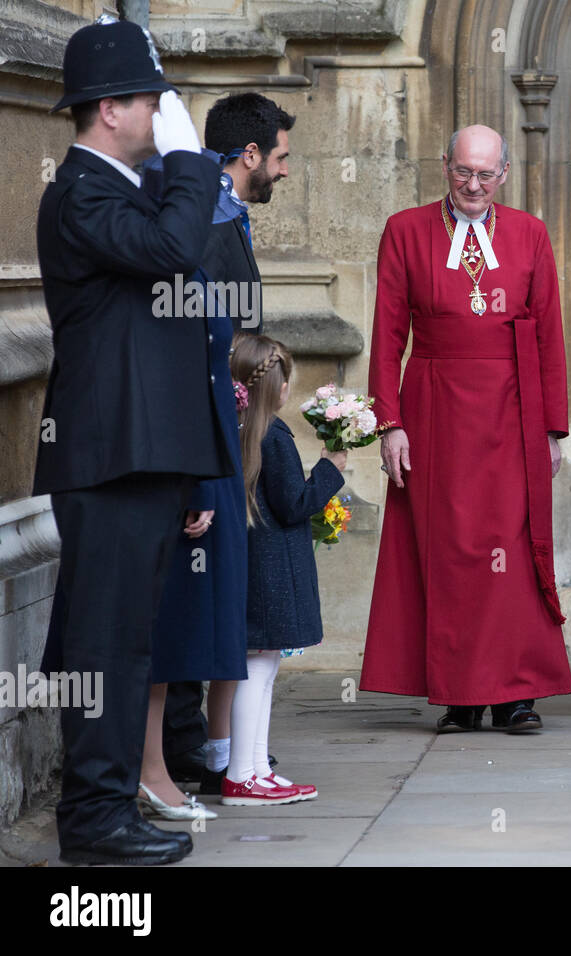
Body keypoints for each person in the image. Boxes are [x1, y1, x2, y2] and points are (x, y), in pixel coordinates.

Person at [35, 16, 229, 864]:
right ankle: (93, 822)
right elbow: (175, 249)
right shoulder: (83, 190)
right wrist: (193, 163)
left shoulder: (119, 187)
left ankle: (112, 806)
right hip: (109, 458)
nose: (163, 115)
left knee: (127, 645)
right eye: (153, 101)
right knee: (104, 647)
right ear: (110, 109)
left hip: (141, 456)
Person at [360, 124, 571, 732]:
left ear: (503, 175)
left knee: (508, 544)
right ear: (445, 168)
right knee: (450, 547)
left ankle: (513, 693)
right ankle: (460, 694)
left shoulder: (530, 233)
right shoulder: (405, 230)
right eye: (462, 172)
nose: (473, 185)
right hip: (434, 409)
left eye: (485, 174)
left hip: (512, 409)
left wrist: (553, 428)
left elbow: (550, 333)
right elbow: (387, 335)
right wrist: (389, 423)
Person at [157, 92, 293, 794]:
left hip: (227, 432)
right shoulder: (203, 226)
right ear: (249, 157)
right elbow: (192, 345)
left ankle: (215, 749)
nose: (286, 171)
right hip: (205, 440)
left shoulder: (225, 215)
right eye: (281, 157)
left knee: (220, 596)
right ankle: (187, 751)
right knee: (197, 595)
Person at [224, 335, 343, 805]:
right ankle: (241, 774)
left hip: (258, 566)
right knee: (259, 669)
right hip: (271, 570)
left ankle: (255, 767)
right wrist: (331, 469)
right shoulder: (273, 436)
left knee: (265, 666)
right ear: (278, 387)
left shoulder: (239, 429)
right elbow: (295, 504)